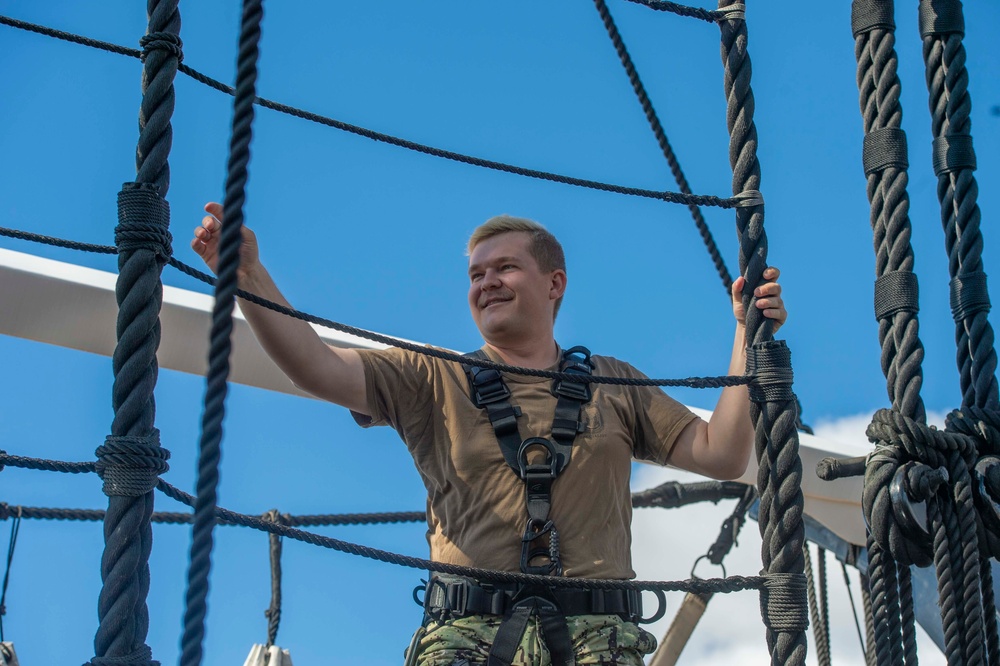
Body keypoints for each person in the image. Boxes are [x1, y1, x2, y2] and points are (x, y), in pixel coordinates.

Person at [192, 203, 786, 666]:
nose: (487, 283)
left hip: (598, 640)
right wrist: (248, 275)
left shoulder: (615, 383)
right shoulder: (431, 376)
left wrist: (745, 333)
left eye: (505, 267)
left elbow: (724, 452)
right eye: (476, 274)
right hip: (466, 640)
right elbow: (316, 366)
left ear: (555, 284)